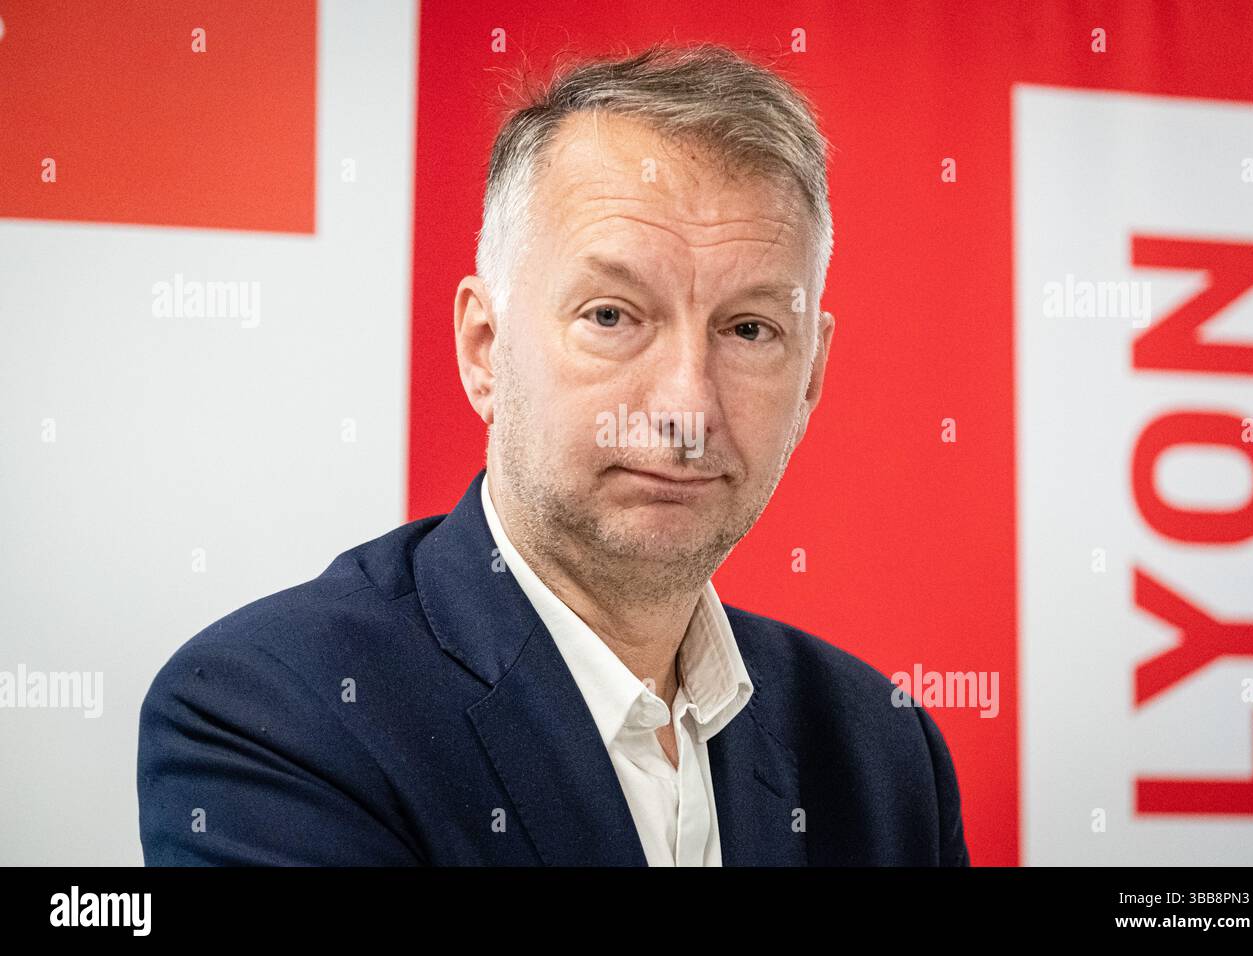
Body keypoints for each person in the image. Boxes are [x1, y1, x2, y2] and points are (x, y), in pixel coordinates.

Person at [137, 42, 971, 866]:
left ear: (812, 377)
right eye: (611, 316)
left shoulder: (884, 755)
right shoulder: (274, 712)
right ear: (483, 347)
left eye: (750, 329)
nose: (687, 409)